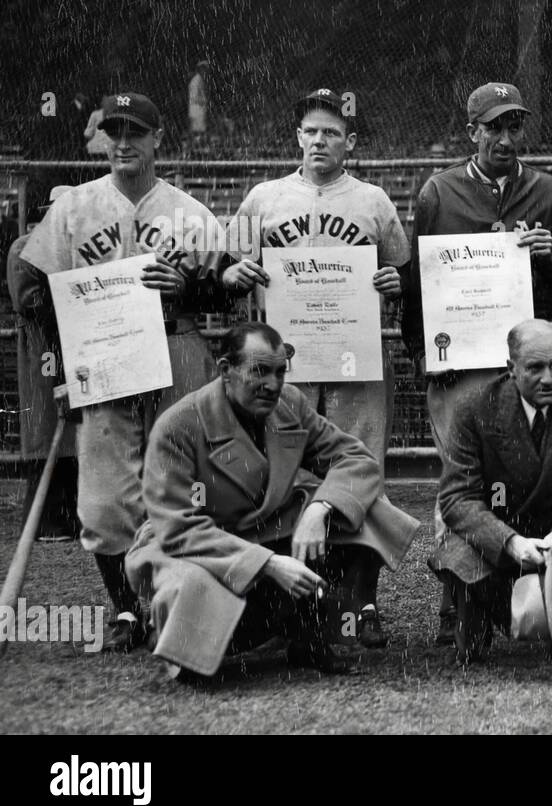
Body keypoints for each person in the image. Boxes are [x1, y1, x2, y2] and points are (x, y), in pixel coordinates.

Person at [19, 92, 229, 651]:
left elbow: (228, 294)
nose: (123, 142)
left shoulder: (189, 212)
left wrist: (192, 286)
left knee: (185, 483)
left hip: (174, 343)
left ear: (158, 139)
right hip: (104, 358)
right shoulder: (73, 208)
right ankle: (125, 609)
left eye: (135, 131)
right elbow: (34, 293)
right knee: (105, 498)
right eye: (113, 131)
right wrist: (68, 362)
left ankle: (174, 598)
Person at [125, 322, 420, 681]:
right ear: (225, 371)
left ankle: (309, 635)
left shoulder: (290, 403)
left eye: (281, 371)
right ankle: (192, 641)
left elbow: (356, 460)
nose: (273, 385)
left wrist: (320, 508)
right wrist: (267, 563)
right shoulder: (177, 426)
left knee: (360, 509)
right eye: (259, 371)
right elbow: (176, 529)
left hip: (264, 527)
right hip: (197, 546)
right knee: (188, 596)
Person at [220, 88, 409, 647]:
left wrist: (395, 286)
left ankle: (363, 601)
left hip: (357, 359)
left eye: (332, 131)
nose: (320, 140)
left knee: (362, 472)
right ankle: (299, 601)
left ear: (350, 142)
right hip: (285, 368)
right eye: (311, 131)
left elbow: (401, 276)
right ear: (297, 138)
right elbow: (231, 273)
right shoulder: (264, 198)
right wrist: (234, 277)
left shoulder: (373, 200)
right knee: (285, 479)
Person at [401, 81, 552, 646]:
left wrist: (551, 260)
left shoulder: (548, 191)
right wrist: (425, 351)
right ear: (471, 131)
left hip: (523, 368)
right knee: (461, 483)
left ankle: (537, 598)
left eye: (513, 125)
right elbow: (416, 285)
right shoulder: (439, 191)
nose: (504, 137)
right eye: (493, 126)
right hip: (462, 368)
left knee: (531, 479)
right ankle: (458, 600)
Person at [431, 319, 552, 665]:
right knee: (458, 549)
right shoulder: (473, 407)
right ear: (511, 369)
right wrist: (509, 542)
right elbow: (457, 498)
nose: (548, 378)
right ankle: (487, 610)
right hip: (500, 524)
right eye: (535, 368)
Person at [5, 187, 78, 541]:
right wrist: (73, 295)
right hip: (42, 346)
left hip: (70, 340)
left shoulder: (71, 250)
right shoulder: (25, 246)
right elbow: (29, 300)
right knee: (46, 423)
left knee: (72, 429)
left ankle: (70, 514)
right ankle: (45, 519)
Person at [188, 61, 210, 148]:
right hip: (196, 110)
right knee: (197, 133)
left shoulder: (199, 80)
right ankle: (193, 150)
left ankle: (196, 149)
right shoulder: (196, 81)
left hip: (199, 110)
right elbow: (194, 97)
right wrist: (204, 100)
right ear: (201, 69)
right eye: (205, 69)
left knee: (199, 132)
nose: (206, 72)